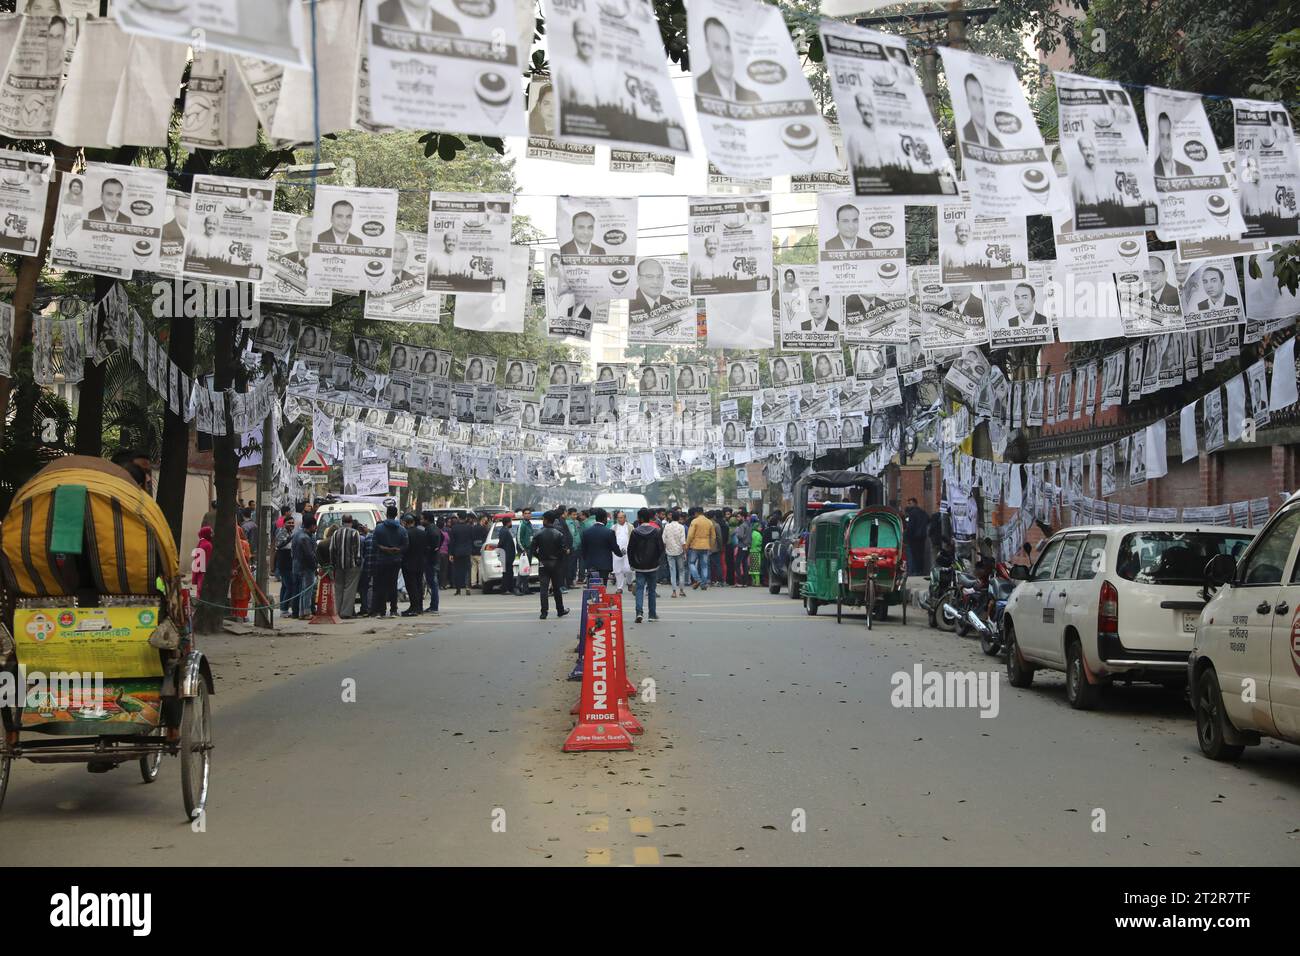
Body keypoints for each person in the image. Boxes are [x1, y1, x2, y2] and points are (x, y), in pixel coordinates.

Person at [697, 17, 759, 102]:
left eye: (728, 48)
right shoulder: (697, 86)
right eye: (717, 47)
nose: (725, 57)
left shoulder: (754, 98)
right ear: (708, 49)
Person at [529, 512, 571, 620]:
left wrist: (540, 557)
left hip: (543, 563)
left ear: (546, 520)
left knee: (543, 588)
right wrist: (559, 558)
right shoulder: (558, 534)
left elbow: (532, 550)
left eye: (543, 519)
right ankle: (560, 610)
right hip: (556, 564)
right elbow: (562, 550)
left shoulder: (538, 533)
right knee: (557, 588)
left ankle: (544, 612)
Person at [369, 506, 408, 618]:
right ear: (396, 514)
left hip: (381, 560)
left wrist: (385, 549)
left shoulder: (379, 528)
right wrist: (397, 550)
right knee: (393, 585)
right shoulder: (402, 529)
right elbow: (406, 545)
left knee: (381, 585)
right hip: (395, 561)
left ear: (387, 514)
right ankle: (393, 609)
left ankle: (381, 610)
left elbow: (374, 544)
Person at [627, 508, 664, 623]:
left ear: (640, 518)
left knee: (639, 589)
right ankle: (652, 614)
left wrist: (632, 563)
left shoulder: (635, 532)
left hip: (639, 566)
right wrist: (658, 561)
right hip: (653, 565)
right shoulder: (656, 531)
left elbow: (630, 550)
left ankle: (639, 612)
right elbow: (661, 548)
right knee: (652, 590)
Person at [580, 508, 623, 585]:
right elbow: (615, 548)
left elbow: (583, 549)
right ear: (604, 519)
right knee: (602, 586)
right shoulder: (609, 532)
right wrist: (621, 554)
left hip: (591, 564)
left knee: (592, 586)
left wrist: (586, 560)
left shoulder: (586, 532)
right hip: (604, 565)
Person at [291, 515, 319, 620]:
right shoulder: (305, 538)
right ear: (311, 526)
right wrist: (315, 567)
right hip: (306, 567)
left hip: (297, 565)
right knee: (307, 590)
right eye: (315, 526)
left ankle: (302, 612)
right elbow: (309, 555)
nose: (316, 528)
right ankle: (306, 612)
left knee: (302, 590)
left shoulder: (297, 534)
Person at [399, 514, 428, 616]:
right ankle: (419, 607)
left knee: (411, 586)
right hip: (420, 562)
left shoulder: (406, 533)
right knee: (419, 585)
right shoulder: (422, 533)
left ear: (405, 523)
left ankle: (414, 607)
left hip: (408, 563)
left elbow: (404, 548)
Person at [686, 507, 716, 590]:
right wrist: (711, 546)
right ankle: (703, 583)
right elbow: (713, 536)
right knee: (704, 566)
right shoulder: (709, 522)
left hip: (695, 545)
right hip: (706, 546)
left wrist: (687, 545)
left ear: (696, 513)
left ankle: (697, 579)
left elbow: (690, 535)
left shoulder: (695, 521)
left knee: (691, 563)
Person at [449, 512, 477, 594]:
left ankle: (458, 589)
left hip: (457, 551)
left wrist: (450, 554)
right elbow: (472, 539)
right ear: (466, 518)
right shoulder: (470, 527)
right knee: (467, 569)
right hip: (467, 551)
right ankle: (467, 587)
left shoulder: (454, 528)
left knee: (457, 570)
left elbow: (452, 542)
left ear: (458, 518)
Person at [274, 514, 296, 616]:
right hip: (284, 563)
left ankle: (283, 608)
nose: (291, 524)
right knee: (290, 586)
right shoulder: (281, 531)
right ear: (284, 524)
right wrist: (290, 538)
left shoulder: (290, 532)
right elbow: (279, 545)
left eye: (292, 523)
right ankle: (284, 609)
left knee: (284, 586)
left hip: (288, 563)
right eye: (289, 523)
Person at [663, 510, 687, 597]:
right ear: (679, 518)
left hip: (669, 551)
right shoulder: (681, 527)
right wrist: (685, 553)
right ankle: (681, 590)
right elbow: (683, 541)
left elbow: (664, 539)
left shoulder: (667, 526)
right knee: (681, 571)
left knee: (672, 571)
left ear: (671, 517)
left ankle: (674, 592)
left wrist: (666, 548)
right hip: (679, 551)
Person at [904, 498, 930, 578]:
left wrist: (907, 535)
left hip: (913, 537)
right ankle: (920, 570)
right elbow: (928, 520)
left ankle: (915, 571)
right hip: (922, 536)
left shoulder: (912, 513)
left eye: (910, 503)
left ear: (915, 503)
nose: (908, 505)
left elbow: (910, 526)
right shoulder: (923, 512)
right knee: (920, 554)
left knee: (914, 554)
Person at [422, 515, 442, 614]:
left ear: (427, 519)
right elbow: (442, 538)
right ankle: (433, 605)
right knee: (433, 583)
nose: (421, 520)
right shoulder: (435, 528)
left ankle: (434, 606)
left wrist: (432, 549)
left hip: (431, 560)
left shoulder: (430, 530)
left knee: (433, 583)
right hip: (434, 558)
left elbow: (433, 544)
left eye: (423, 518)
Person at [611, 511, 633, 591]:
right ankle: (619, 587)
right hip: (617, 552)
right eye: (618, 518)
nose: (619, 519)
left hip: (628, 551)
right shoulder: (614, 527)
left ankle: (629, 583)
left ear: (625, 518)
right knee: (618, 570)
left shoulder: (630, 527)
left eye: (621, 517)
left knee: (628, 569)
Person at [513, 510, 533, 595]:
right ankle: (517, 587)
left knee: (526, 569)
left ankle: (526, 588)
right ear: (523, 515)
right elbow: (518, 538)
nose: (527, 515)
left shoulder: (529, 524)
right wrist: (523, 549)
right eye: (526, 513)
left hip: (530, 549)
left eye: (529, 513)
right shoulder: (522, 524)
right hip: (524, 550)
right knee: (522, 569)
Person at [497, 515, 517, 597]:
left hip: (507, 555)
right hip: (506, 555)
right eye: (511, 522)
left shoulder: (505, 530)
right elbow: (501, 543)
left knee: (509, 572)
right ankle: (504, 589)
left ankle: (509, 588)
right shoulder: (504, 531)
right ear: (508, 523)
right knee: (506, 573)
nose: (511, 523)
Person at [193, 525, 214, 598]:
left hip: (200, 573)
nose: (212, 535)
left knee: (199, 592)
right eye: (211, 533)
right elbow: (208, 561)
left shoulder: (201, 543)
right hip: (204, 574)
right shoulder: (208, 545)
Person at [471, 515, 489, 588]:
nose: (486, 522)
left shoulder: (473, 528)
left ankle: (473, 583)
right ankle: (480, 582)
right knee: (480, 567)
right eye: (486, 520)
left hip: (473, 550)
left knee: (473, 568)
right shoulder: (484, 529)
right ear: (482, 520)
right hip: (480, 551)